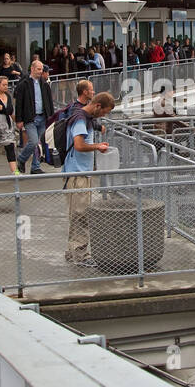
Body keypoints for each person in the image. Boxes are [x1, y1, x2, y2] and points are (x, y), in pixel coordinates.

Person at [64, 91, 116, 265]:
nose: (103, 116)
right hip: (78, 173)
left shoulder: (83, 117)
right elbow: (79, 145)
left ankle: (72, 251)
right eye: (104, 112)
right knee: (81, 215)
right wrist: (97, 146)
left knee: (76, 214)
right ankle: (81, 255)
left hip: (79, 171)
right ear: (98, 106)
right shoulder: (80, 119)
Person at [14, 59, 54, 174]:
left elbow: (49, 101)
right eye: (38, 69)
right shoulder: (24, 84)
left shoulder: (44, 84)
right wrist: (19, 119)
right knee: (34, 141)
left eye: (41, 69)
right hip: (30, 117)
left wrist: (50, 117)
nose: (40, 71)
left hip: (42, 117)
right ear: (32, 68)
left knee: (40, 144)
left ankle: (35, 167)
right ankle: (21, 159)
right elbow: (19, 103)